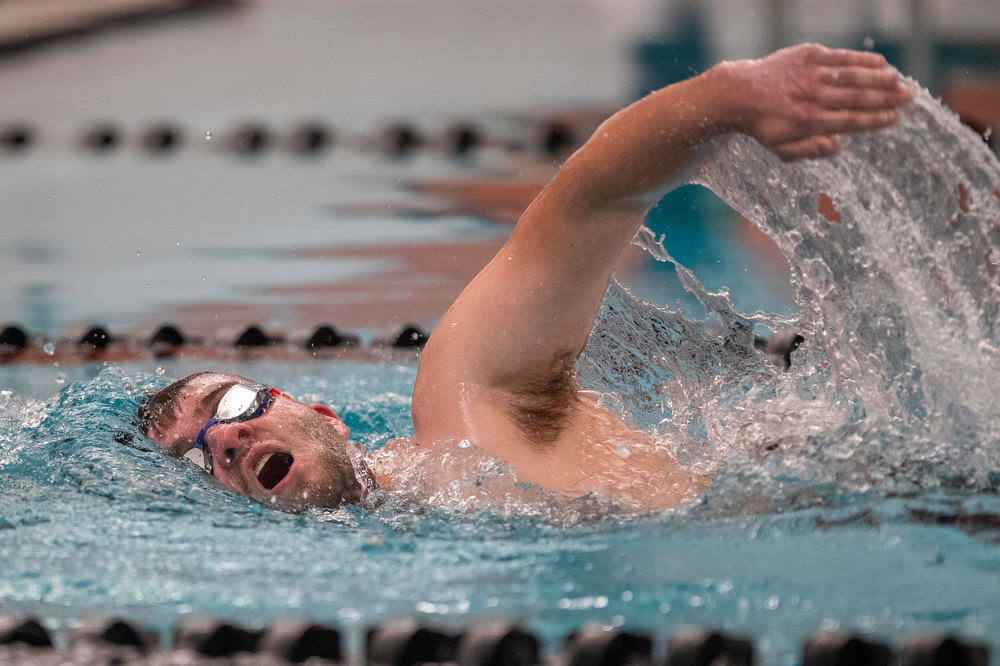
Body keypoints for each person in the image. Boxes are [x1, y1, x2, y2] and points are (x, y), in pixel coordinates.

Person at [137, 44, 914, 511]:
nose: (228, 440)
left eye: (230, 405)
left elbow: (585, 206)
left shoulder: (466, 408)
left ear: (325, 413)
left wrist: (727, 98)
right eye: (198, 460)